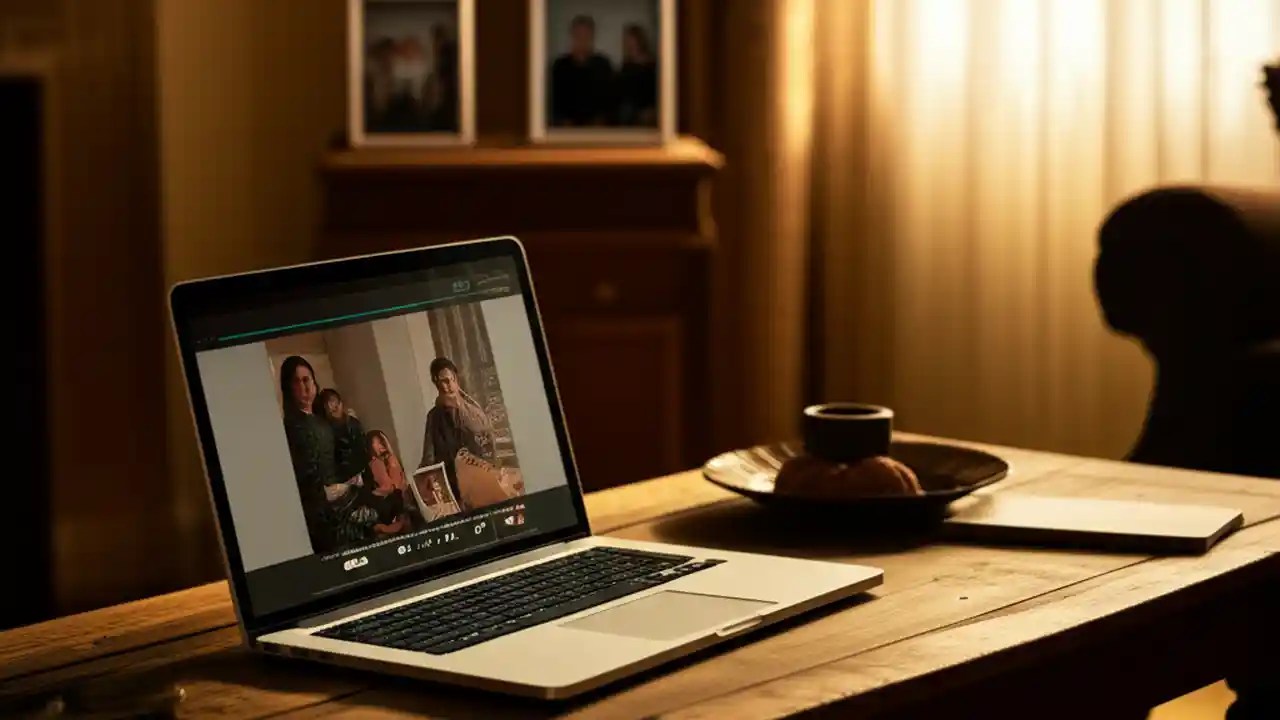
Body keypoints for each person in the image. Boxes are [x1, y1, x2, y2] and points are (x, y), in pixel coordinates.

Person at [278, 357, 366, 553]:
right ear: (289, 388)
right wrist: (324, 493)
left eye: (307, 379)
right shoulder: (290, 427)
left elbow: (340, 458)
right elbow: (301, 473)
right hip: (319, 513)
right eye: (297, 382)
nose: (305, 386)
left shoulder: (323, 422)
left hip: (341, 502)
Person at [418, 357, 496, 505]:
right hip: (451, 485)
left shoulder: (473, 411)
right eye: (442, 382)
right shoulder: (433, 417)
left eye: (450, 380)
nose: (447, 387)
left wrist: (458, 408)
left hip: (478, 479)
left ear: (456, 380)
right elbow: (429, 455)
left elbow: (486, 443)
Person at [550, 15, 615, 126]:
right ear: (572, 36)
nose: (582, 40)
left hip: (597, 128)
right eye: (578, 35)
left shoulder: (603, 64)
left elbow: (610, 100)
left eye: (586, 36)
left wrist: (601, 121)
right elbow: (553, 101)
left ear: (592, 37)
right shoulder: (560, 65)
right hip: (565, 128)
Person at [314, 388, 369, 487]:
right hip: (344, 480)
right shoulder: (326, 432)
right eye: (328, 405)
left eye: (335, 402)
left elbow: (362, 447)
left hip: (363, 472)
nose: (334, 407)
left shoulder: (353, 423)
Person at [364, 430, 409, 536]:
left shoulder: (391, 459)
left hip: (397, 497)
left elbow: (399, 483)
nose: (381, 445)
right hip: (383, 501)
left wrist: (391, 459)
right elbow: (388, 486)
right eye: (377, 443)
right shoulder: (375, 463)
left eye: (382, 441)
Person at [616, 24, 658, 127]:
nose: (628, 44)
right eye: (626, 41)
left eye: (631, 40)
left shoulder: (652, 65)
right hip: (629, 110)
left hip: (648, 109)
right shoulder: (626, 67)